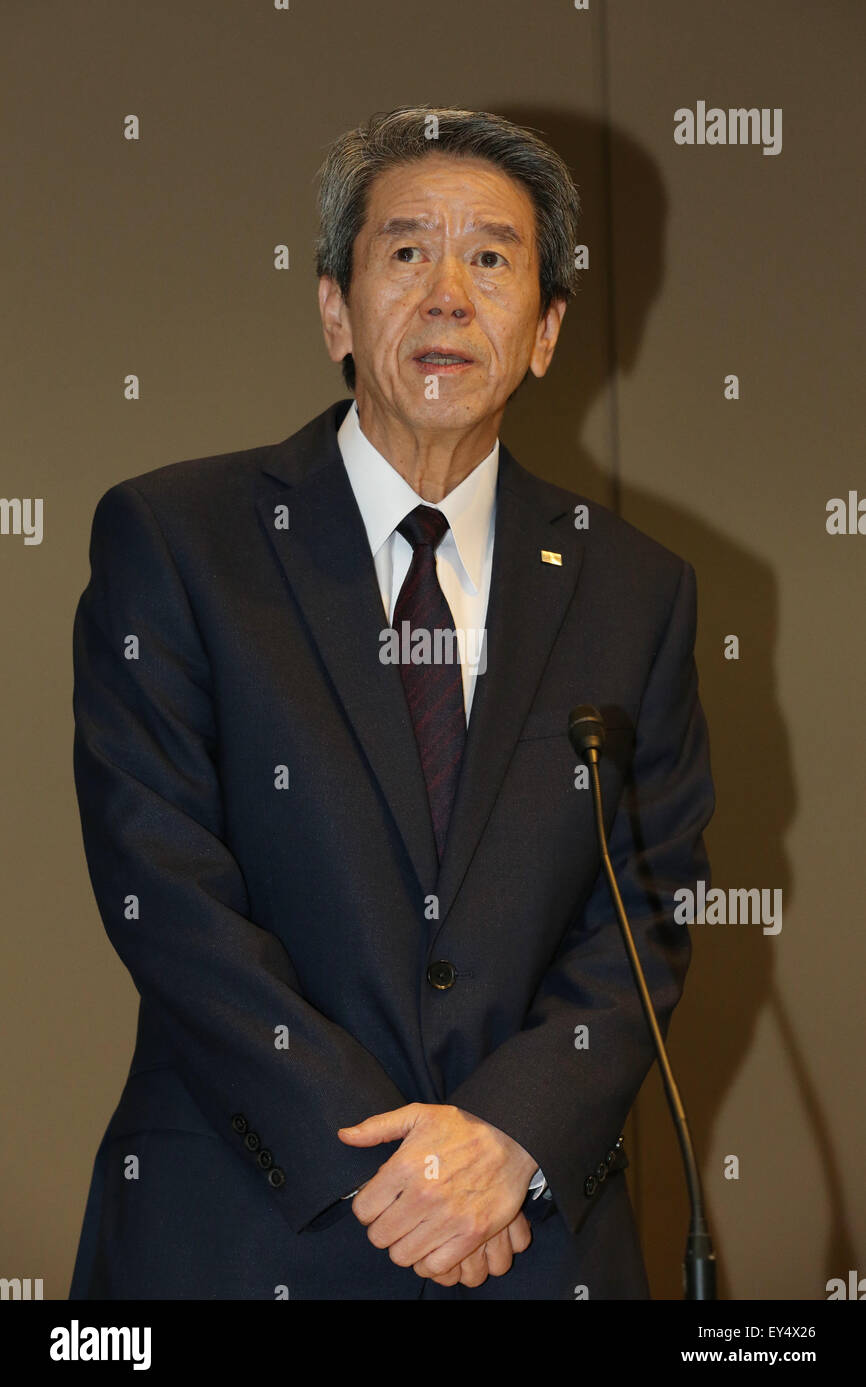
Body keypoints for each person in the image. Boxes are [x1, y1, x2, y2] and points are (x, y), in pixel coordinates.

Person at [69, 106, 714, 1300]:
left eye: (491, 257)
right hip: (242, 1220)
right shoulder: (179, 540)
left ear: (546, 331)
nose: (446, 295)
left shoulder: (637, 591)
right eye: (405, 250)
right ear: (334, 310)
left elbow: (648, 902)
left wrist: (510, 1140)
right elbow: (161, 883)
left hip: (530, 1235)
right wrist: (393, 1167)